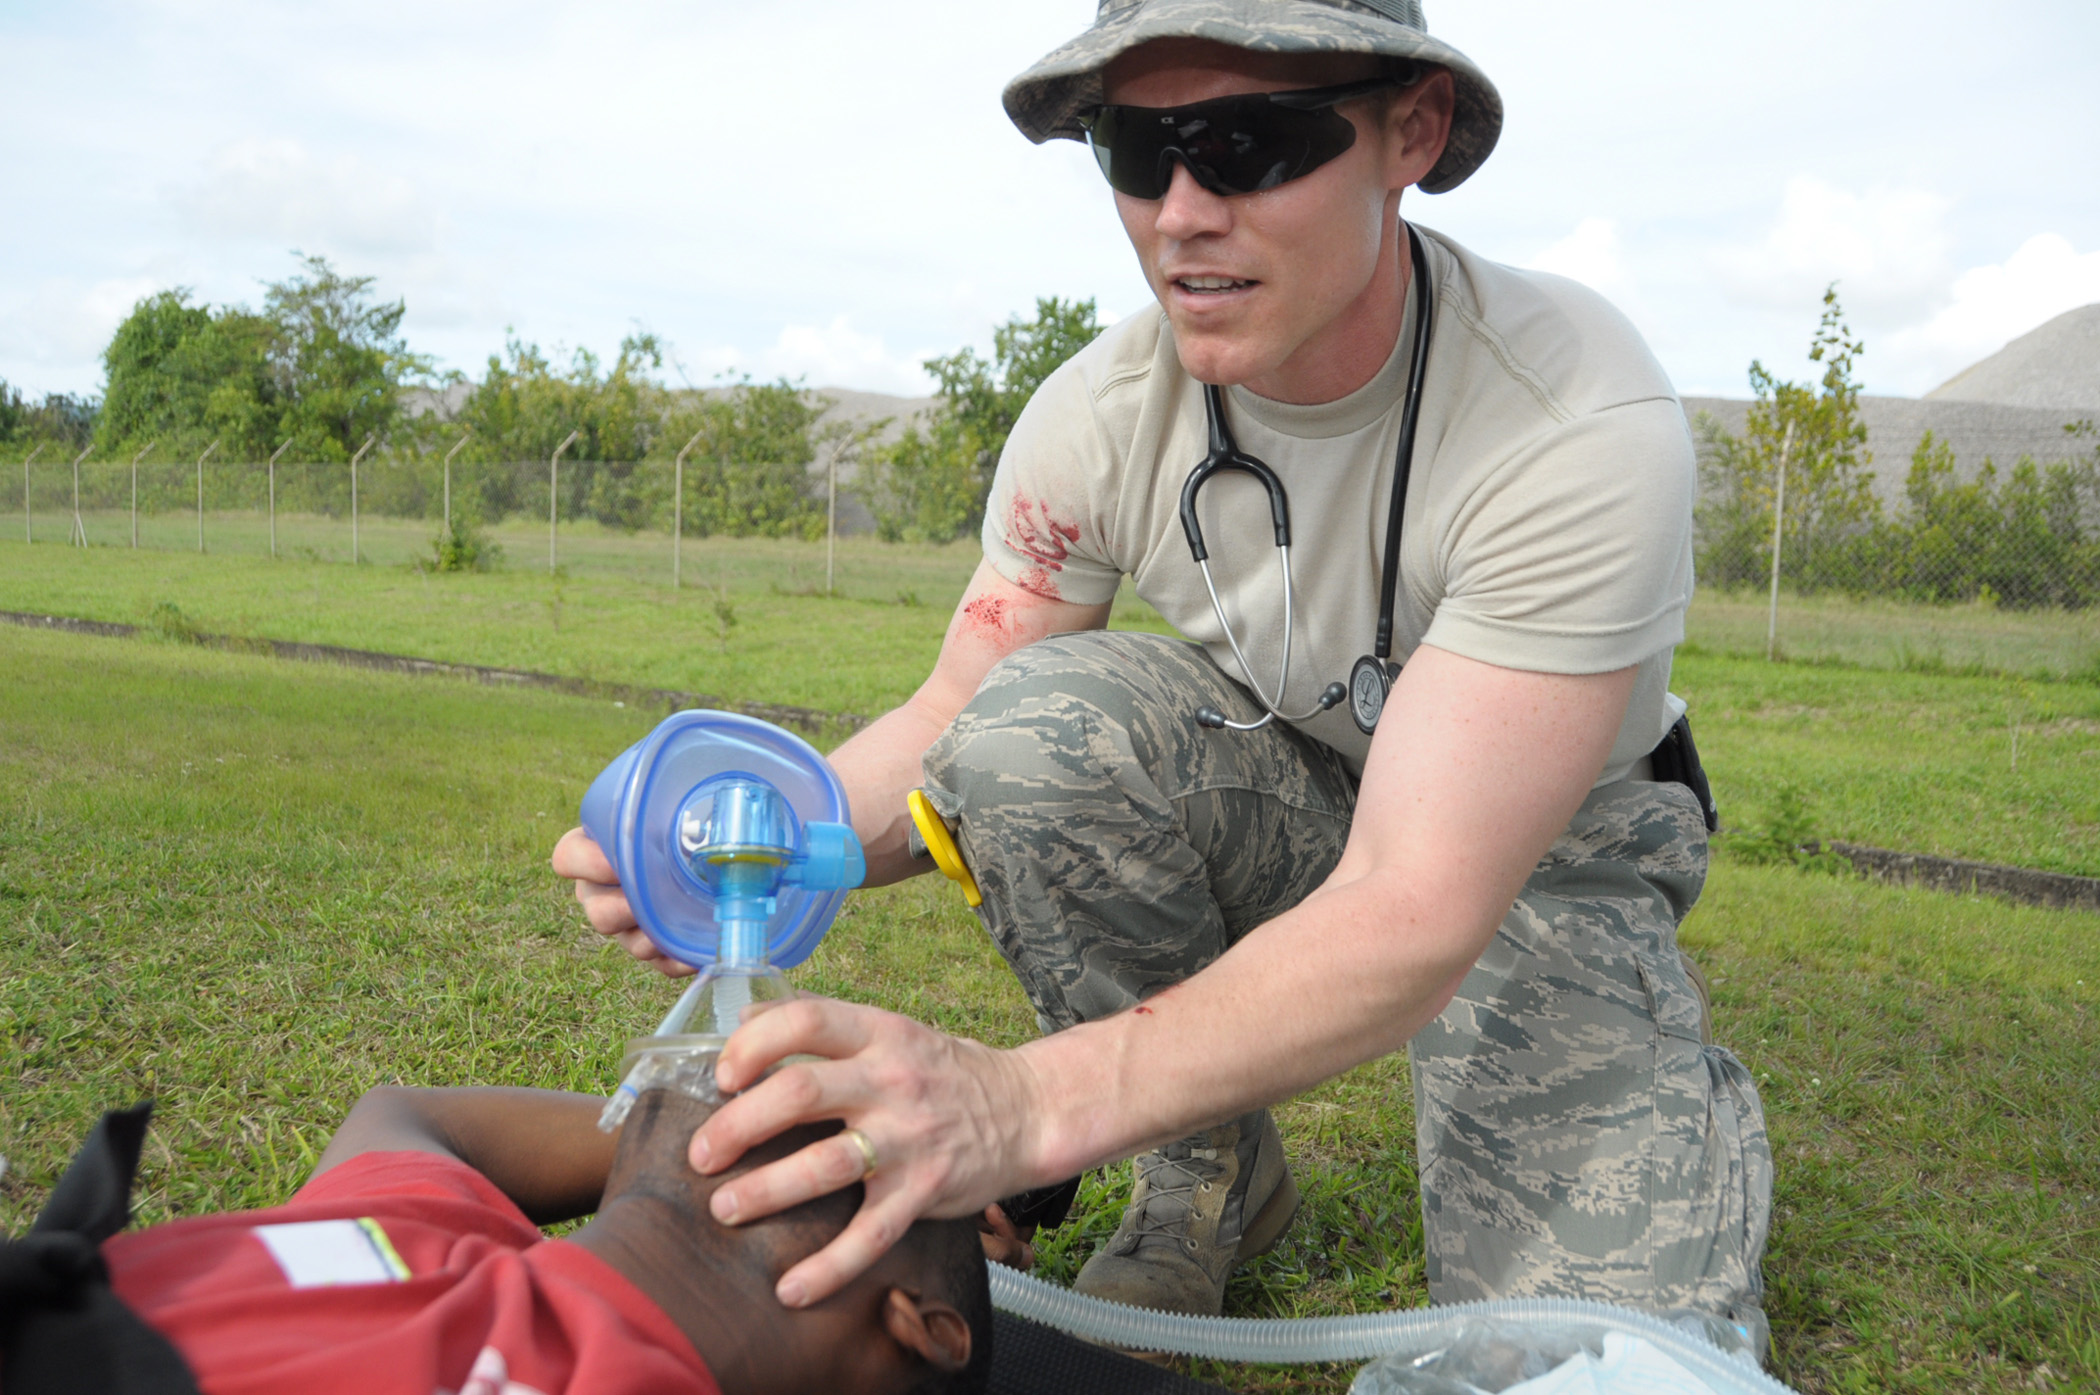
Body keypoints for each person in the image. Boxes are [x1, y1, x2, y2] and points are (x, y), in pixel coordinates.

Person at [554, 0, 1772, 1350]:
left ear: (1409, 131)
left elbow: (1421, 894)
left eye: (1251, 140)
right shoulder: (1097, 413)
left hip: (1538, 849)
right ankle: (1209, 1173)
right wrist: (756, 843)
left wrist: (1020, 1104)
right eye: (1136, 148)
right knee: (1027, 735)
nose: (1180, 210)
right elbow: (958, 715)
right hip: (1290, 786)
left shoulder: (1572, 415)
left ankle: (1646, 1110)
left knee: (1589, 1357)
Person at [4, 1086, 990, 1395]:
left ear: (917, 1327)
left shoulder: (398, 1244)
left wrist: (686, 1147)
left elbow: (409, 1118)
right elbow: (409, 1116)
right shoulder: (453, 1242)